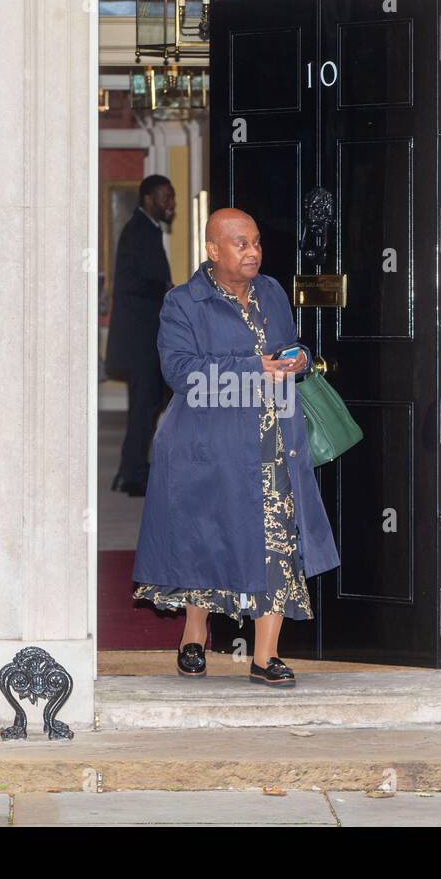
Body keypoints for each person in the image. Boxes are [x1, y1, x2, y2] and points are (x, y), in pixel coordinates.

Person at [131, 208, 340, 687]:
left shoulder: (270, 292)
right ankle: (195, 629)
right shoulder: (183, 302)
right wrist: (253, 367)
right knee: (207, 539)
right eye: (241, 243)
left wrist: (301, 359)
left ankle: (265, 656)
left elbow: (286, 351)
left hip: (275, 443)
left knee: (277, 540)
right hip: (207, 444)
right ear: (213, 250)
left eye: (257, 243)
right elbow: (182, 372)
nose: (253, 252)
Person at [107, 174, 176, 496]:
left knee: (146, 408)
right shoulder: (139, 231)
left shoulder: (147, 229)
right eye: (165, 197)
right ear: (148, 198)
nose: (170, 204)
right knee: (144, 409)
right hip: (140, 342)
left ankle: (129, 471)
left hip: (144, 340)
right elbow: (130, 284)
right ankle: (132, 476)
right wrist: (165, 289)